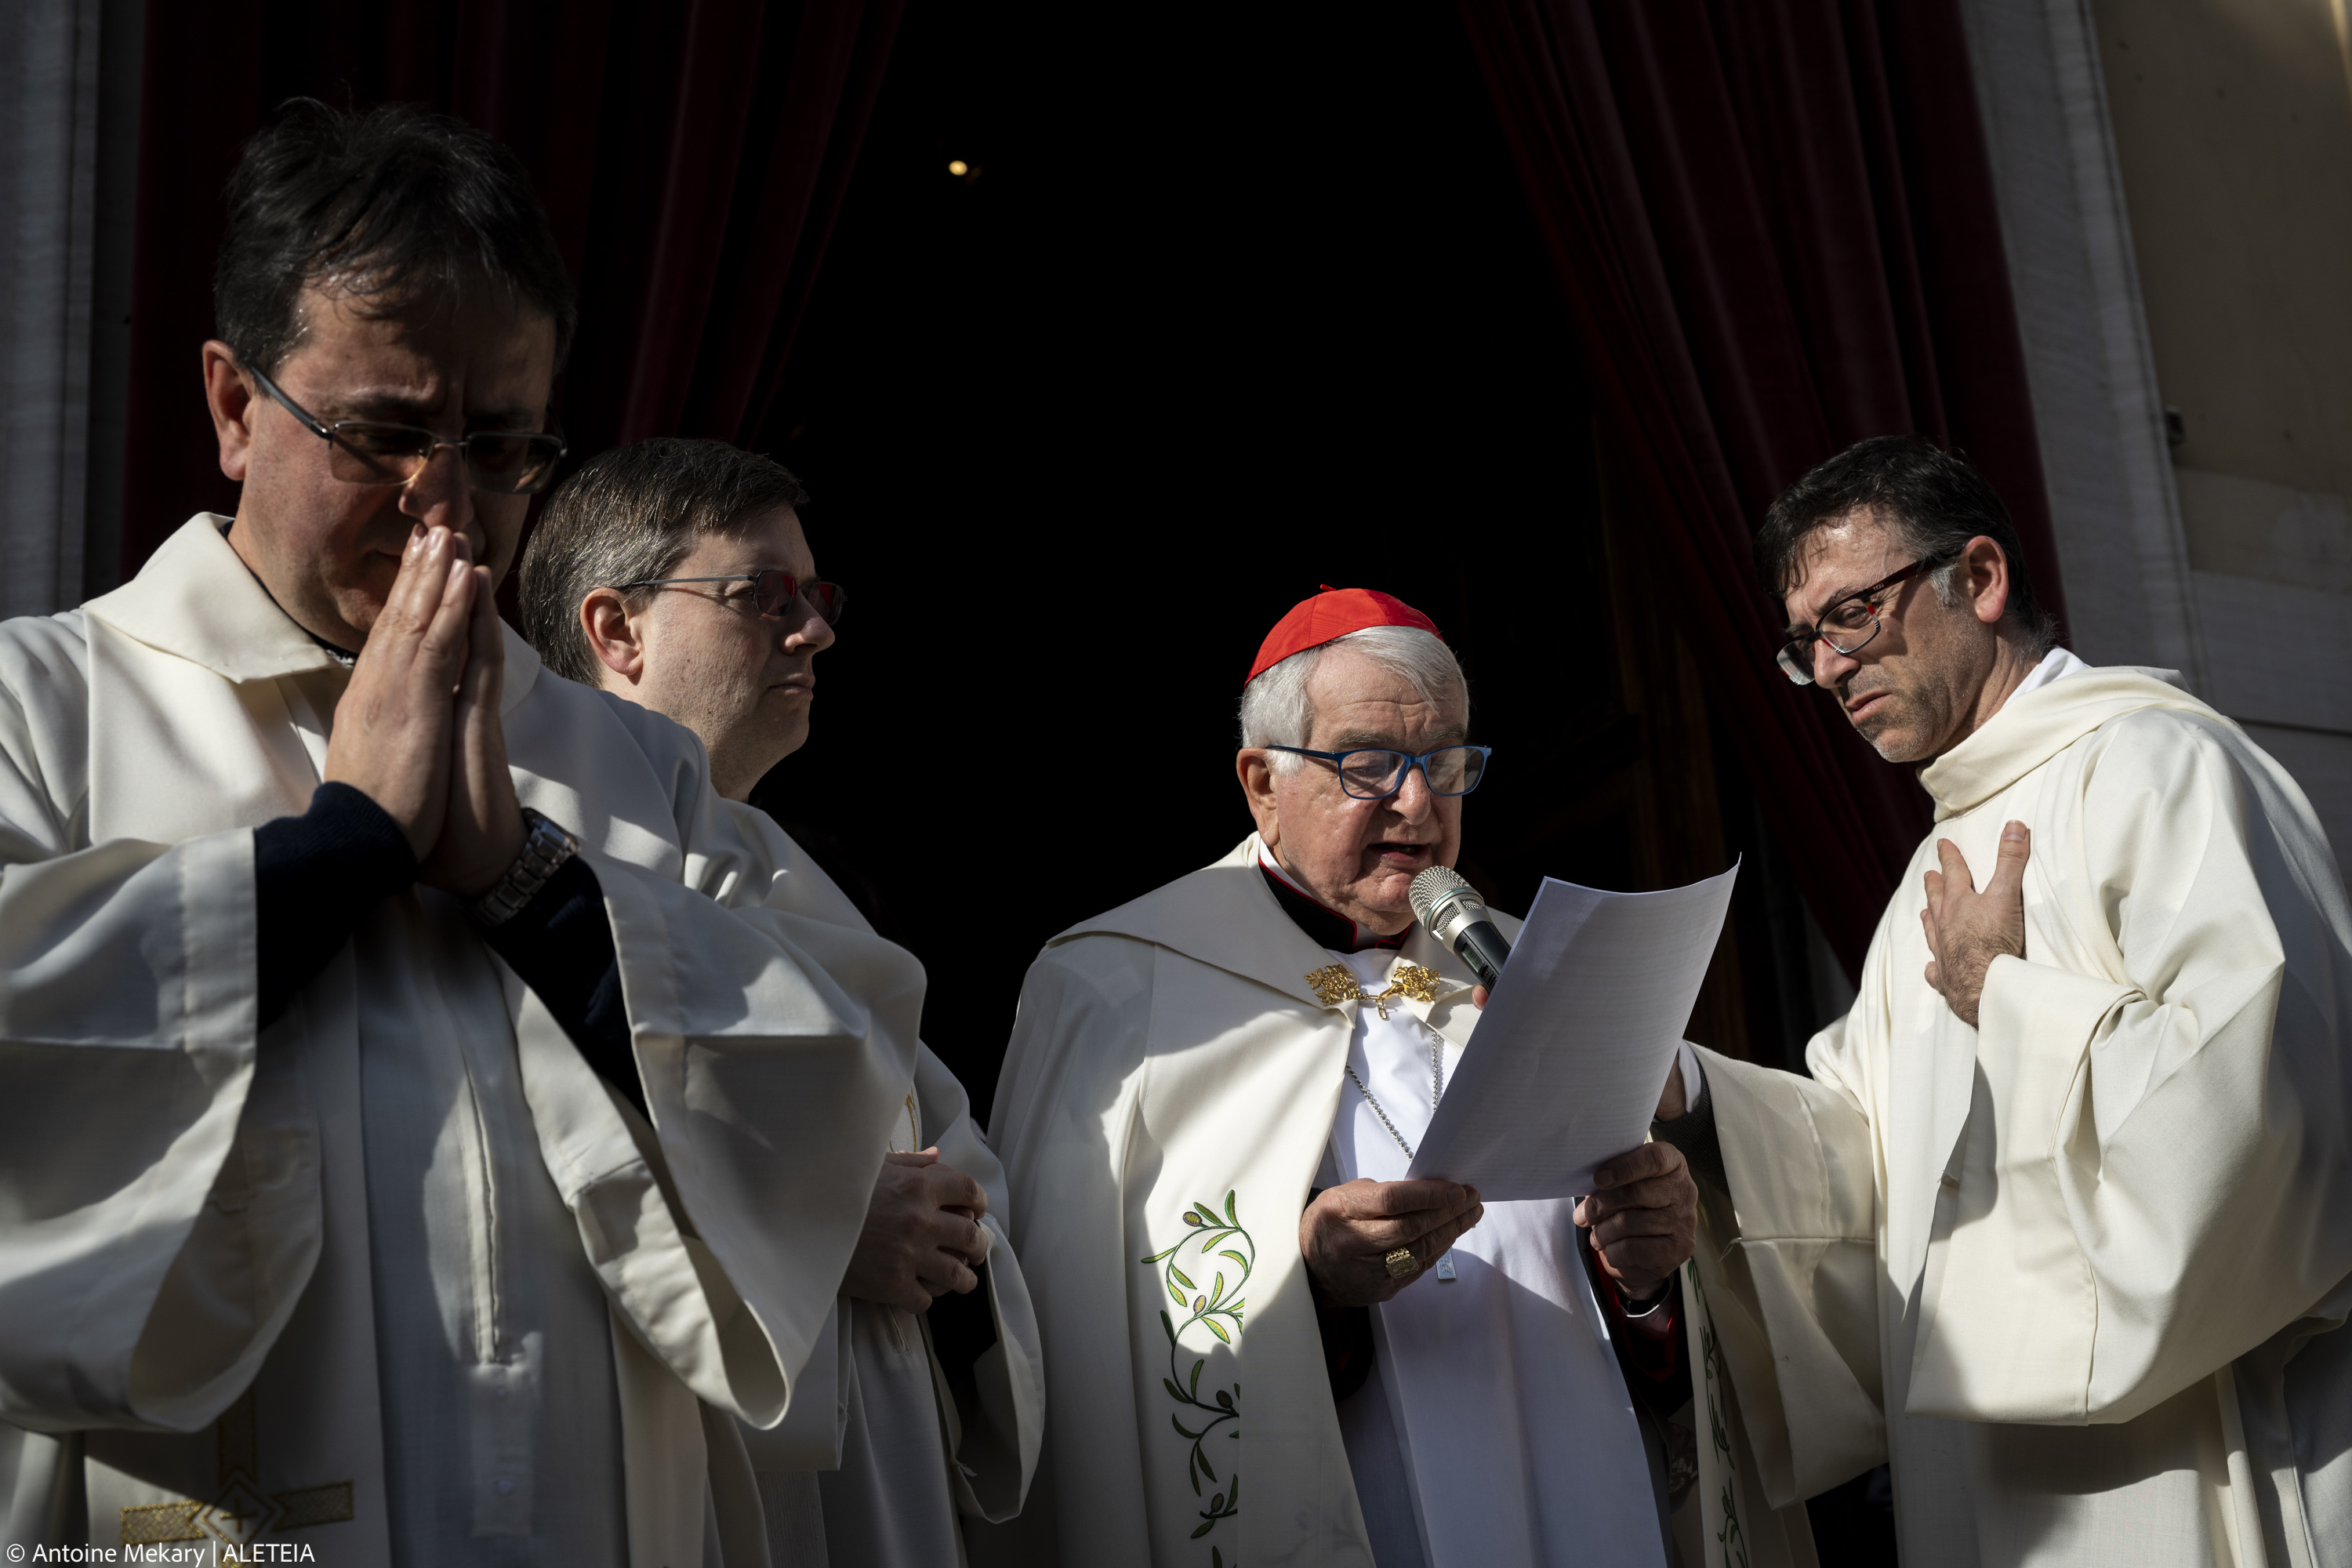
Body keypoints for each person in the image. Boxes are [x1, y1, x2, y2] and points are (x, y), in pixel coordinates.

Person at [0, 103, 921, 1566]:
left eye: (500, 446)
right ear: (235, 407)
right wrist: (347, 844)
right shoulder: (41, 705)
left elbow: (826, 1093)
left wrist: (525, 884)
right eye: (386, 434)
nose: (449, 505)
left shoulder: (624, 757)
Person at [1654, 435, 2352, 1566]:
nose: (1828, 669)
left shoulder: (2163, 769)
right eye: (1803, 644)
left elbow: (2265, 1104)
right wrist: (1692, 1095)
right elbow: (1867, 1163)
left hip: (2172, 1452)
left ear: (1978, 579)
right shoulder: (1920, 888)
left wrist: (2002, 996)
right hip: (1983, 1487)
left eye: (1852, 617)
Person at [980, 587, 1705, 1567]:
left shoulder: (1532, 973)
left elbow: (1662, 1329)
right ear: (1260, 781)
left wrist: (1648, 1281)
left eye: (1446, 761)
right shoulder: (1116, 988)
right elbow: (1081, 1352)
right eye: (1368, 763)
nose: (1417, 801)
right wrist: (1311, 1285)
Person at [517, 436, 1044, 1564]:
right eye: (762, 595)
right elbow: (512, 1164)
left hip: (877, 1454)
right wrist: (821, 1225)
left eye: (816, 595)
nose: (815, 631)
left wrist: (945, 1228)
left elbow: (947, 1154)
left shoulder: (811, 882)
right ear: (618, 630)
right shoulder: (515, 868)